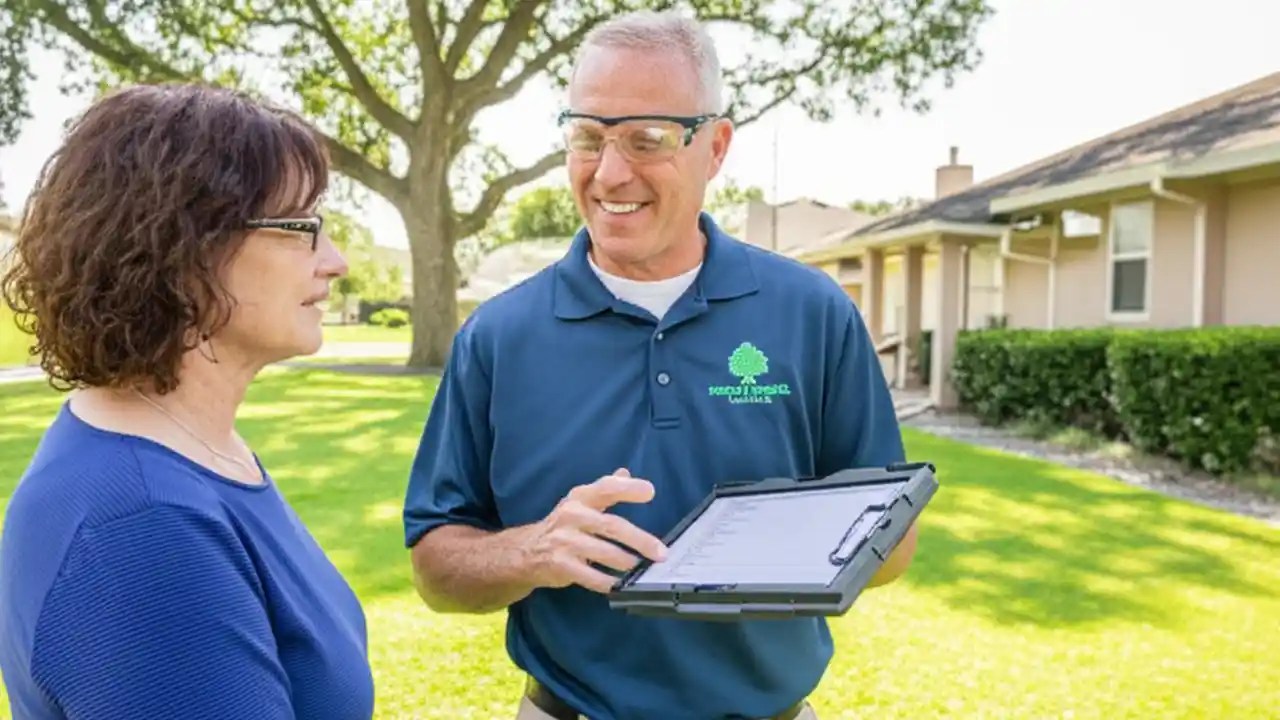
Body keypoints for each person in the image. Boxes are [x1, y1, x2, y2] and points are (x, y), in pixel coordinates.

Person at [403, 10, 917, 720]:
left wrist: (775, 548)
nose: (611, 173)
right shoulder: (497, 336)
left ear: (716, 146)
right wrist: (532, 551)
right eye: (588, 137)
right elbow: (435, 565)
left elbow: (893, 547)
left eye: (647, 139)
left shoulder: (813, 313)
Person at [0, 83, 374, 719]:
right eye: (301, 227)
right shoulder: (142, 529)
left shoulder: (200, 454)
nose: (334, 261)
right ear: (185, 249)